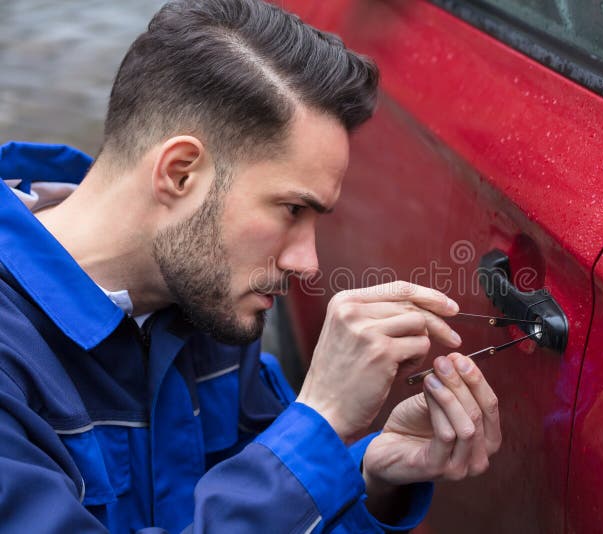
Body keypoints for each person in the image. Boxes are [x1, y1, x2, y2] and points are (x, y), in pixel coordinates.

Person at [0, 1, 501, 532]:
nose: (307, 264)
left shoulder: (204, 300)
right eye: (292, 209)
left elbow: (273, 498)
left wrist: (369, 481)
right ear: (180, 173)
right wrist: (322, 419)